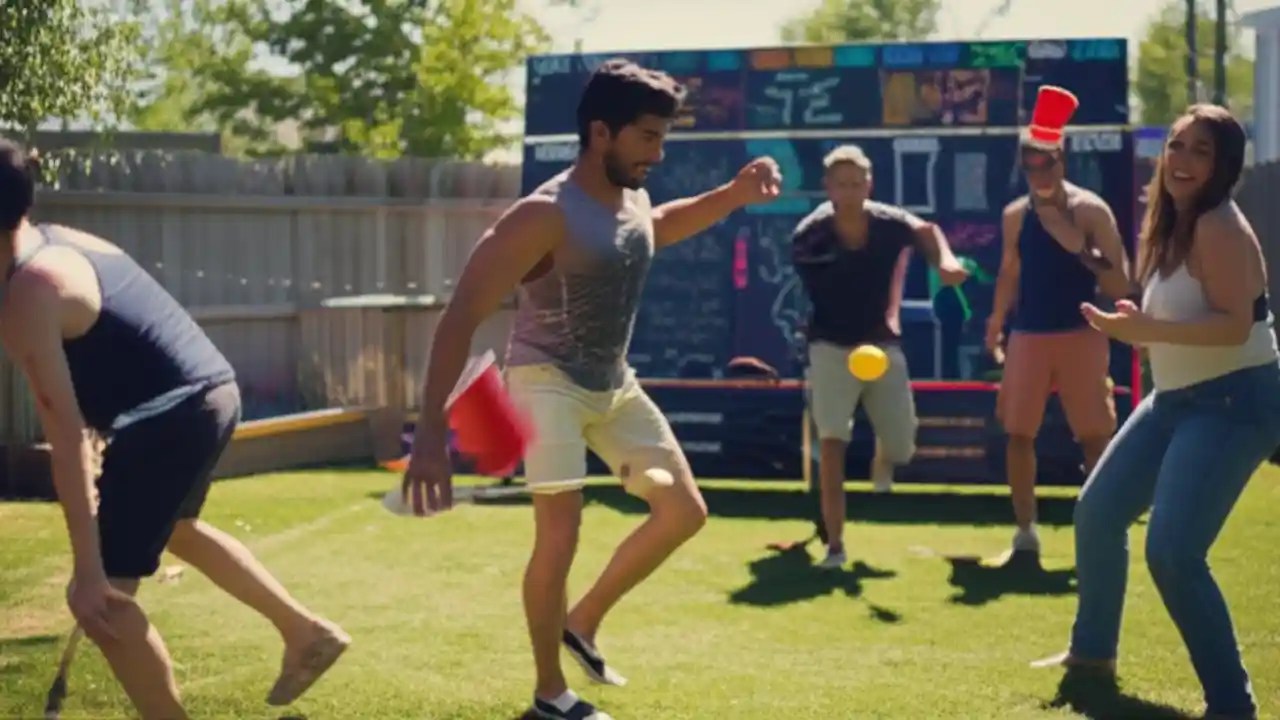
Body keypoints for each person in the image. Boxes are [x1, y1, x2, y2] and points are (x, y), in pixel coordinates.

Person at [401, 59, 781, 720]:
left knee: (684, 512)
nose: (656, 155)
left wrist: (733, 195)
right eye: (646, 138)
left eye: (662, 139)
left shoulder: (630, 197)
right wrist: (429, 433)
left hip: (612, 385)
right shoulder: (542, 214)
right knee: (560, 533)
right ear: (600, 133)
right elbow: (461, 315)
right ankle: (551, 696)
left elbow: (656, 226)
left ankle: (582, 619)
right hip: (543, 383)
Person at [0, 139, 349, 719]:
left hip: (165, 417)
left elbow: (64, 438)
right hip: (210, 391)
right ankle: (304, 632)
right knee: (178, 529)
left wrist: (88, 571)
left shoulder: (27, 295)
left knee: (105, 604)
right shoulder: (55, 239)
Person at [1035, 104, 1279, 720]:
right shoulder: (1170, 220)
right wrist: (1133, 323)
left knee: (1172, 552)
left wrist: (1145, 329)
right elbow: (1176, 315)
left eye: (1201, 150)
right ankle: (1092, 657)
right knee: (1097, 513)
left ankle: (1232, 705)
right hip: (1176, 399)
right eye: (1176, 146)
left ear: (1224, 165)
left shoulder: (1221, 225)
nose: (1183, 160)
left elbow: (1232, 329)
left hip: (1234, 400)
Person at [791, 144, 968, 570]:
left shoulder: (890, 222)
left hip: (883, 346)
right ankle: (835, 547)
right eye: (841, 184)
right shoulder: (809, 236)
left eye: (857, 183)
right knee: (832, 441)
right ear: (827, 188)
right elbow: (830, 294)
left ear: (869, 184)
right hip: (831, 347)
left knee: (903, 446)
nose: (850, 191)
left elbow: (926, 232)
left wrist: (944, 262)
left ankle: (882, 459)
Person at [985, 127, 1132, 562]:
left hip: (1081, 332)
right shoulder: (1016, 214)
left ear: (1061, 161)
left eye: (1045, 163)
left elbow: (1121, 281)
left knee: (1095, 433)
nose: (1037, 173)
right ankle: (1025, 532)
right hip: (1029, 333)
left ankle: (1105, 526)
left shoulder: (1090, 210)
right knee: (1017, 432)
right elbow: (1010, 271)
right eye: (1028, 165)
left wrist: (1075, 243)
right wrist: (996, 323)